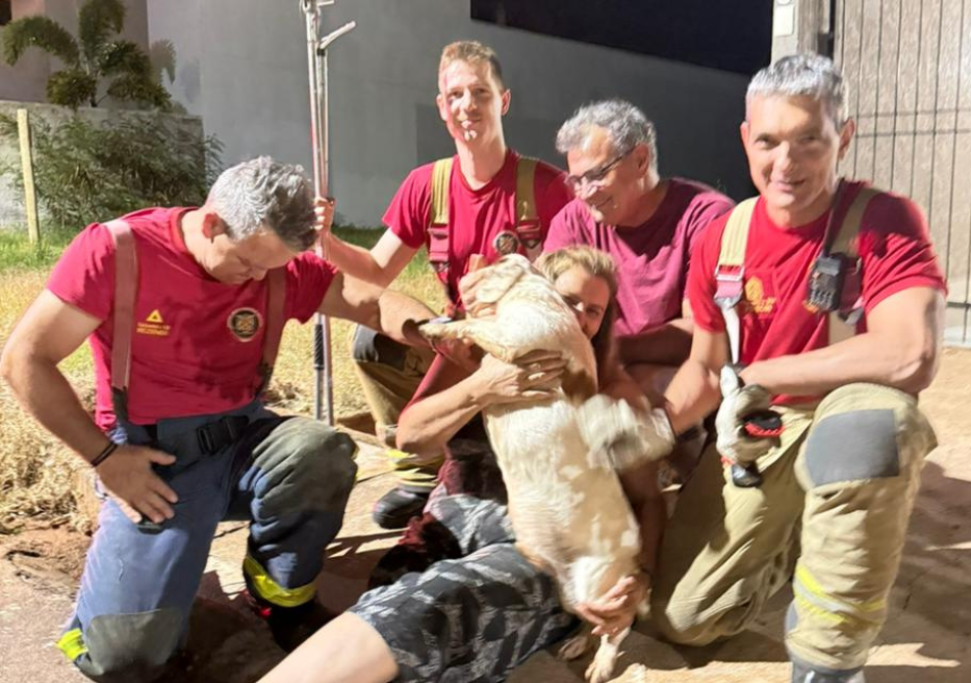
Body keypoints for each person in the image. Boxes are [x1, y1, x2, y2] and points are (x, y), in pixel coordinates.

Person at [0, 157, 438, 683]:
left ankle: (280, 599)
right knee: (125, 658)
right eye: (250, 263)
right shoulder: (117, 252)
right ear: (211, 223)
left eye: (272, 268)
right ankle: (127, 601)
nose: (259, 278)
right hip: (150, 460)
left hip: (241, 438)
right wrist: (106, 459)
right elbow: (24, 358)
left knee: (319, 452)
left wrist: (430, 328)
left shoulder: (277, 264)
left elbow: (370, 301)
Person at [652, 54, 946, 683]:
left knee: (870, 431)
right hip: (759, 431)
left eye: (809, 139)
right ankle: (792, 545)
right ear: (745, 140)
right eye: (769, 141)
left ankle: (827, 661)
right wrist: (645, 433)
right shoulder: (721, 238)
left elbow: (909, 354)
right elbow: (705, 369)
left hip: (840, 407)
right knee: (684, 617)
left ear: (844, 136)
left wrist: (760, 375)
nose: (787, 163)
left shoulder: (883, 220)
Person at [258, 246, 665, 683]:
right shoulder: (475, 350)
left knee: (430, 611)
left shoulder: (606, 390)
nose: (580, 317)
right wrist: (483, 388)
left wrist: (640, 577)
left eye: (594, 310)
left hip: (545, 544)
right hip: (458, 509)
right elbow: (410, 437)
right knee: (388, 591)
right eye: (567, 301)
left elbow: (647, 498)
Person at [315, 40, 572, 529]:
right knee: (372, 339)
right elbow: (375, 270)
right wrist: (324, 241)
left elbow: (580, 289)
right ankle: (421, 472)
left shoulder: (547, 188)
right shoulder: (426, 186)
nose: (467, 106)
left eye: (480, 92)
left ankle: (488, 459)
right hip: (462, 342)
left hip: (524, 351)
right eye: (455, 95)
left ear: (504, 100)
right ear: (441, 107)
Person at [543, 99, 733, 480]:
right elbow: (544, 308)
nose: (584, 192)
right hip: (598, 367)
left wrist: (613, 351)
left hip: (681, 379)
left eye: (595, 175)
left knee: (640, 384)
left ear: (641, 160)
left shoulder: (705, 217)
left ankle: (677, 473)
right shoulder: (573, 222)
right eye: (575, 179)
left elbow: (702, 334)